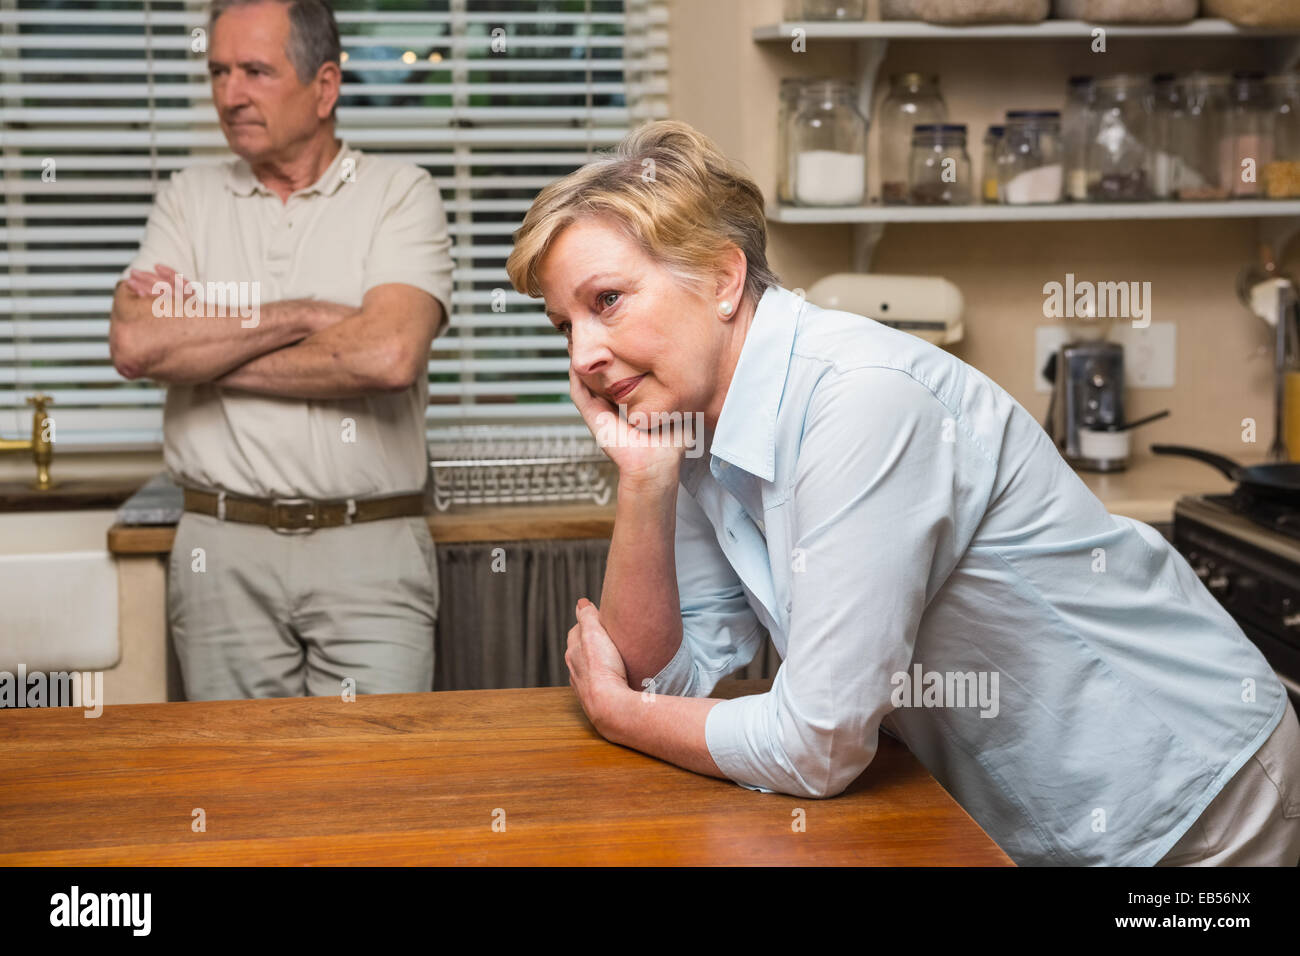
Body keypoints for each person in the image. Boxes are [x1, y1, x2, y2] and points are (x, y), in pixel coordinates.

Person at [505, 119, 1300, 867]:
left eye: (605, 301)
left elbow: (814, 744)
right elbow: (665, 681)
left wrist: (621, 715)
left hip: (1195, 802)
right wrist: (644, 483)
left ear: (721, 275)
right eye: (562, 326)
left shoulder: (862, 400)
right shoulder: (696, 424)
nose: (583, 356)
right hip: (1025, 815)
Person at [108, 0, 452, 700]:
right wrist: (307, 316)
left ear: (324, 86)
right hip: (220, 545)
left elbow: (386, 357)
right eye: (218, 72)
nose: (230, 95)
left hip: (371, 545)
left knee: (373, 785)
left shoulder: (399, 193)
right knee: (239, 792)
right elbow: (138, 342)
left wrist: (206, 347)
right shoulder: (186, 198)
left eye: (256, 71)